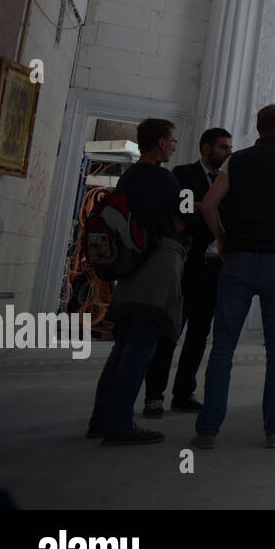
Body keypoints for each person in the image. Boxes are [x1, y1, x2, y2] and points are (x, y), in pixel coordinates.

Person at [192, 104, 275, 450]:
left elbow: (207, 205)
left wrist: (222, 238)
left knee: (222, 348)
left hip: (237, 260)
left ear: (258, 127)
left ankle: (208, 431)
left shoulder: (237, 161)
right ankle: (274, 431)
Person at [87, 119, 186, 445]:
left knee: (124, 347)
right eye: (171, 141)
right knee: (141, 347)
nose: (173, 146)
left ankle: (102, 420)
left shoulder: (130, 175)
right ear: (160, 143)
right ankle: (119, 424)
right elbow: (187, 216)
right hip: (154, 269)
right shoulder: (162, 177)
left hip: (131, 268)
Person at [142, 127, 231, 416]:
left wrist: (201, 210)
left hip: (215, 269)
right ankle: (154, 396)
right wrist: (204, 211)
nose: (228, 152)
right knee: (171, 331)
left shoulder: (230, 181)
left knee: (199, 335)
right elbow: (182, 212)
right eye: (223, 147)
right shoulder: (182, 174)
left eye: (229, 147)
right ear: (206, 149)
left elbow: (225, 215)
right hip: (187, 267)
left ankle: (184, 393)